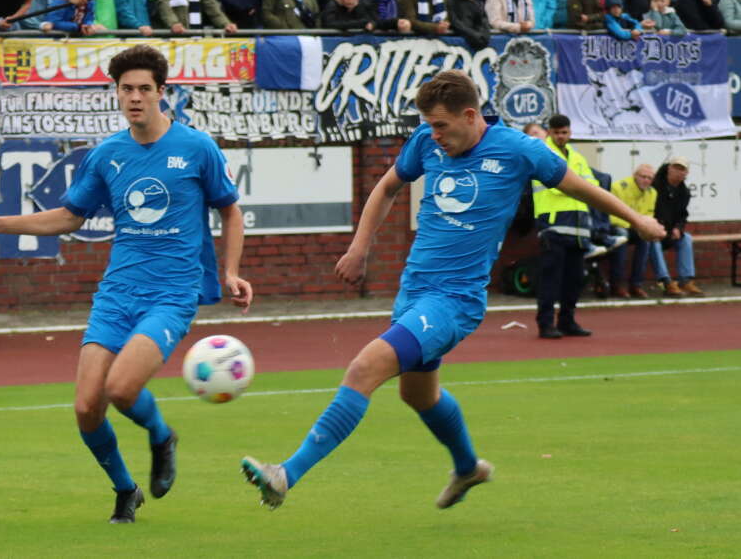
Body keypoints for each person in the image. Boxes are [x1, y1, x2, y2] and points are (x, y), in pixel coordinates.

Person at [238, 71, 663, 510]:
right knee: (418, 394)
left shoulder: (520, 150)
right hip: (414, 293)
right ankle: (468, 468)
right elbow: (387, 187)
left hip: (455, 300)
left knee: (365, 368)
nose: (434, 134)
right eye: (429, 125)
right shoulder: (426, 142)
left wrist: (638, 221)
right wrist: (360, 247)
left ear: (470, 115)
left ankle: (286, 473)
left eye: (441, 125)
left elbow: (584, 189)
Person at [0, 44, 252, 523]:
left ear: (162, 94)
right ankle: (125, 489)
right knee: (87, 407)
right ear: (117, 93)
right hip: (117, 293)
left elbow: (230, 211)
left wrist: (232, 271)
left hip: (173, 293)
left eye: (144, 89)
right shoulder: (107, 155)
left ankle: (161, 436)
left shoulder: (197, 148)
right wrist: (0, 224)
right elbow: (69, 217)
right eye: (127, 89)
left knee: (123, 388)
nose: (135, 97)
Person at [532, 113, 599, 340]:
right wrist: (577, 186)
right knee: (551, 279)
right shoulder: (542, 154)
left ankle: (568, 320)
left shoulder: (577, 158)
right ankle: (546, 323)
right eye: (557, 132)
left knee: (574, 280)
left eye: (564, 132)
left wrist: (577, 186)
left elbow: (593, 185)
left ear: (569, 133)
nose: (561, 136)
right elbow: (554, 187)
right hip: (553, 226)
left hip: (579, 229)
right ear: (549, 132)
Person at [650, 158, 702, 297]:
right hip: (652, 230)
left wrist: (678, 228)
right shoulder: (654, 186)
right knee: (653, 241)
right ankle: (666, 282)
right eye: (676, 168)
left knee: (686, 239)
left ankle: (685, 280)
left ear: (686, 173)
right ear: (669, 168)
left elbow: (683, 215)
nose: (679, 172)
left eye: (682, 169)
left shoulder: (684, 192)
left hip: (670, 233)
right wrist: (656, 227)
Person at [608, 163, 657, 298]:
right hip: (617, 225)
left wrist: (642, 228)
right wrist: (634, 225)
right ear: (635, 176)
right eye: (643, 177)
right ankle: (616, 285)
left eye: (650, 178)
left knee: (645, 240)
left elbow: (649, 215)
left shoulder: (652, 193)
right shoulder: (619, 187)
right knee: (623, 236)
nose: (646, 180)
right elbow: (611, 214)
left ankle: (636, 285)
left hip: (635, 227)